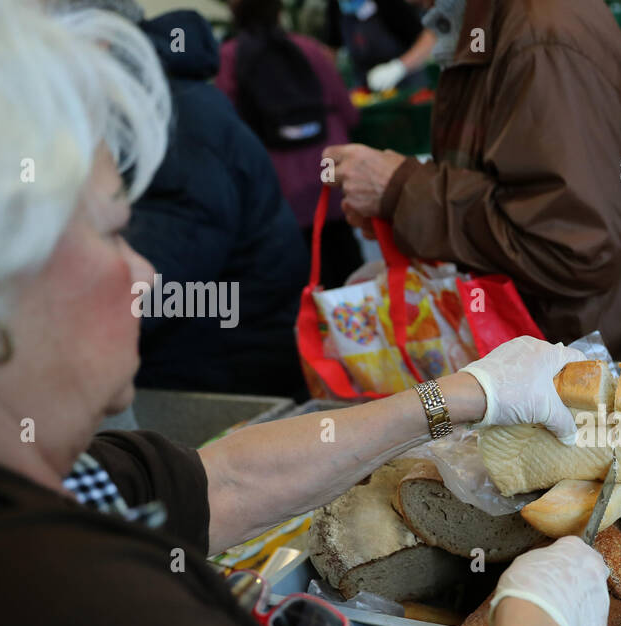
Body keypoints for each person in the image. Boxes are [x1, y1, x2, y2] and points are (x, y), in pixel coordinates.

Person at [0, 2, 609, 626]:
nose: (146, 271)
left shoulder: (45, 484)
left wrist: (461, 396)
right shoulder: (84, 617)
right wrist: (534, 623)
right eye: (113, 231)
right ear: (2, 292)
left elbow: (218, 485)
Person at [323, 0, 621, 361]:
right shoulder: (496, 22)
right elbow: (520, 189)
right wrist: (401, 206)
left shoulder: (538, 35)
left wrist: (401, 190)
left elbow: (568, 246)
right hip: (551, 360)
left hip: (581, 373)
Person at [102, 5, 312, 398]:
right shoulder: (163, 103)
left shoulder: (170, 126)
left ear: (99, 41)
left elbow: (155, 289)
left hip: (222, 373)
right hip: (219, 350)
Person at [218, 0, 365, 289]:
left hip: (281, 190)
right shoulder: (309, 48)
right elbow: (349, 112)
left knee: (308, 287)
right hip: (330, 183)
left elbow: (230, 127)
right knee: (352, 278)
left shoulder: (229, 58)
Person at [326, 0, 436, 91]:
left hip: (408, 88)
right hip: (365, 91)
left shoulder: (387, 3)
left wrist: (398, 68)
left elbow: (428, 38)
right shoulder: (335, 6)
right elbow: (331, 50)